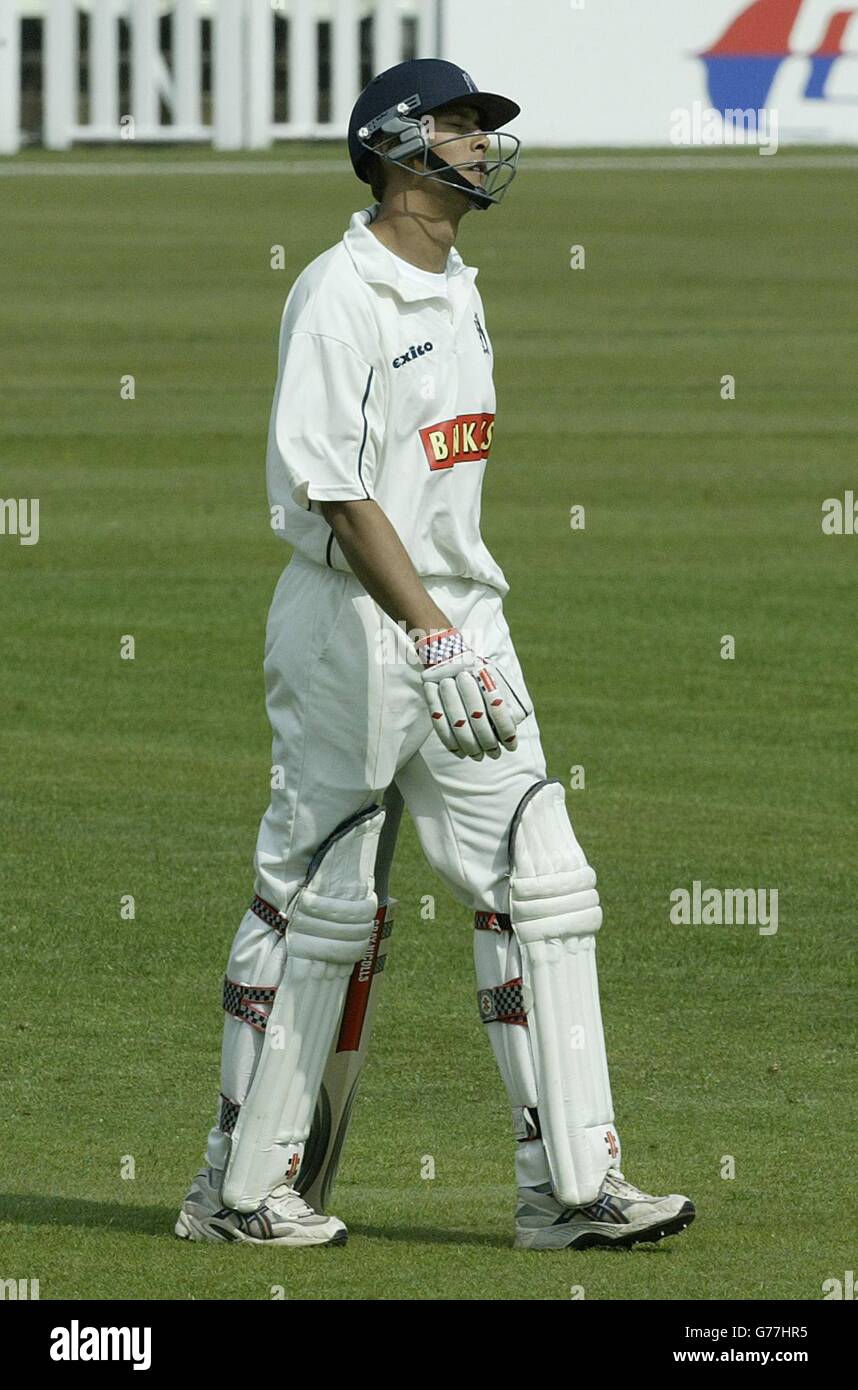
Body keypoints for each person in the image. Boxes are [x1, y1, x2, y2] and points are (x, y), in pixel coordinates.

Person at [175, 58, 695, 1251]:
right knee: (319, 899)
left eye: (479, 129)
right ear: (399, 148)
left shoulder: (456, 286)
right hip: (353, 628)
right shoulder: (339, 292)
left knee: (541, 882)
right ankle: (238, 1188)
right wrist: (429, 631)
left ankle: (569, 1188)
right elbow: (337, 491)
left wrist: (459, 631)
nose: (479, 146)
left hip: (464, 620)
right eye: (461, 128)